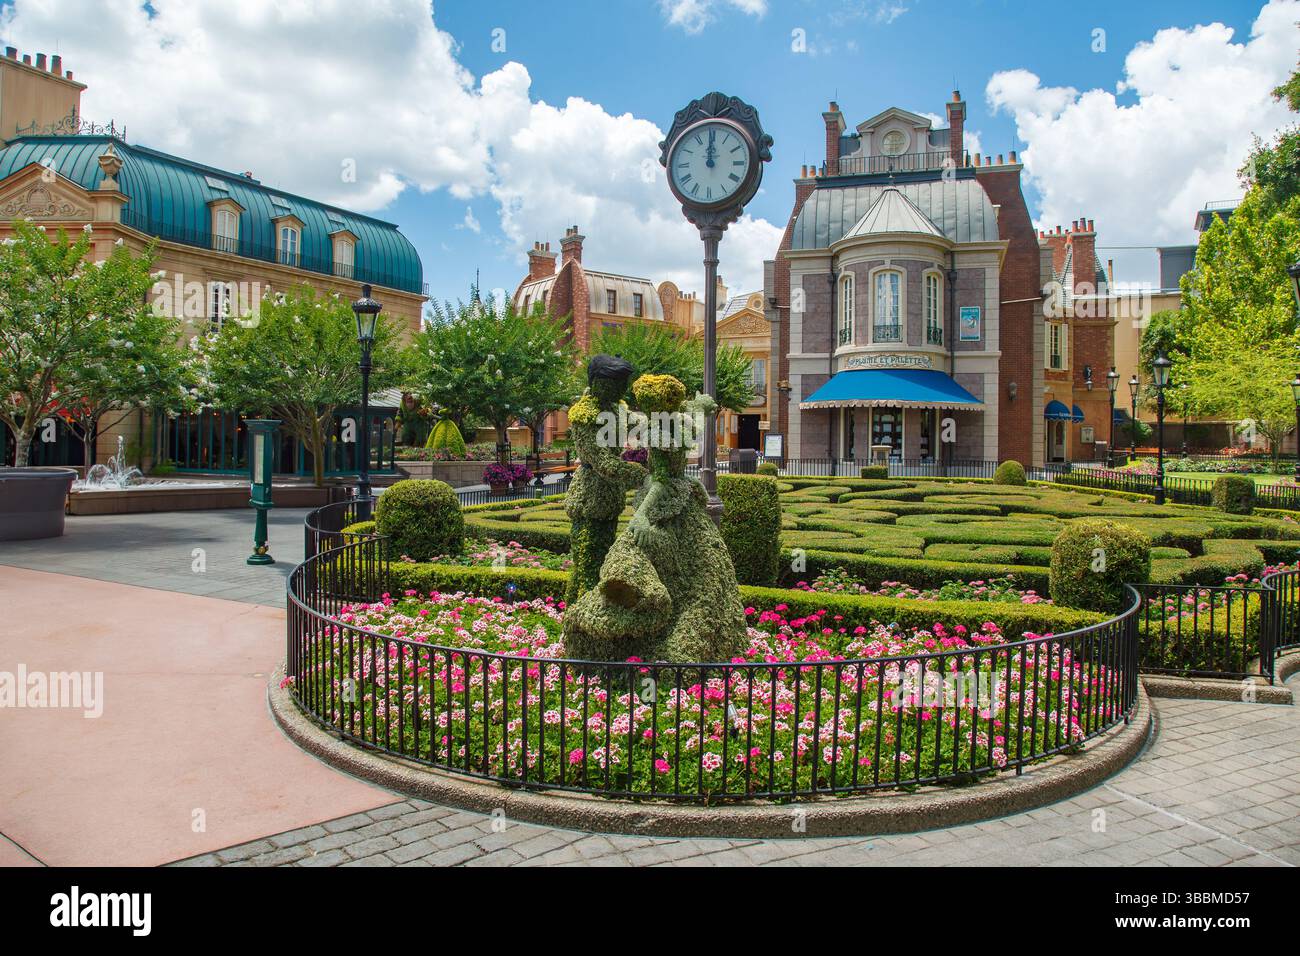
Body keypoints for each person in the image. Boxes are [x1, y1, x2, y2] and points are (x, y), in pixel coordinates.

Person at [563, 355, 645, 606]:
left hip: (608, 500)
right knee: (588, 566)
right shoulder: (584, 415)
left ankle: (575, 616)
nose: (623, 389)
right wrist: (643, 475)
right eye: (617, 383)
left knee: (597, 563)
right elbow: (603, 464)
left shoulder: (616, 408)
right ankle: (582, 620)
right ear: (598, 382)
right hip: (590, 499)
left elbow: (639, 424)